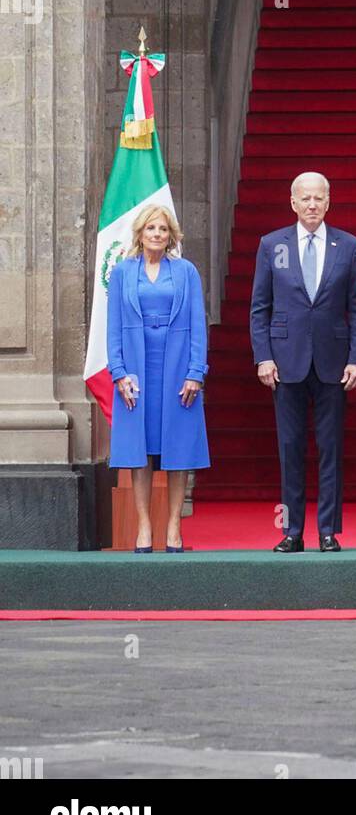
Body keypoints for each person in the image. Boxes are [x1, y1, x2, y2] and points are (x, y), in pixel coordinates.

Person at [250, 172, 356, 554]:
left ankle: (329, 531)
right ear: (293, 202)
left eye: (319, 198)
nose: (313, 205)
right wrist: (263, 356)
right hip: (286, 363)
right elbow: (259, 308)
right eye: (306, 199)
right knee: (290, 447)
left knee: (331, 448)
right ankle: (291, 531)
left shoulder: (348, 246)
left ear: (328, 202)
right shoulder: (272, 245)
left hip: (333, 362)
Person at [107, 204, 209, 553]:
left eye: (163, 229)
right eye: (151, 228)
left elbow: (198, 324)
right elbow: (114, 328)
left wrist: (196, 372)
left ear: (171, 236)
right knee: (140, 452)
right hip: (137, 370)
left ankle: (174, 527)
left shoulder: (186, 272)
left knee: (178, 450)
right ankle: (144, 528)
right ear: (140, 233)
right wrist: (118, 373)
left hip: (178, 368)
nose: (157, 234)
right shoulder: (121, 273)